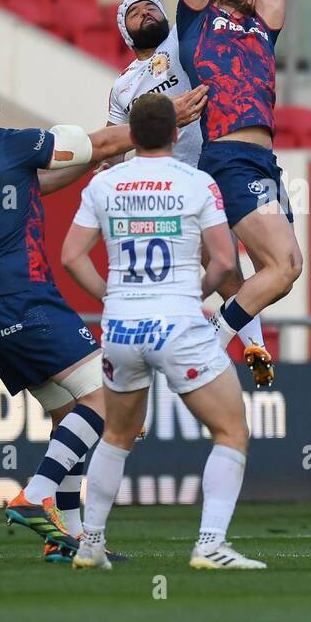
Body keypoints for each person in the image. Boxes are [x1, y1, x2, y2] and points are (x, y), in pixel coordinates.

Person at [0, 67, 206, 561]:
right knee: (105, 401)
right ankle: (35, 495)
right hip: (27, 296)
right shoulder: (7, 141)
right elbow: (92, 144)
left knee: (66, 421)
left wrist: (99, 160)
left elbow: (43, 181)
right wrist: (162, 121)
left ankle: (71, 541)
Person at [60, 93, 265, 570]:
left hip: (122, 327)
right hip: (177, 322)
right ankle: (210, 544)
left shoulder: (105, 184)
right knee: (231, 429)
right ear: (177, 133)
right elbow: (225, 262)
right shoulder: (198, 183)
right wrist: (193, 292)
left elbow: (71, 256)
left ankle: (90, 543)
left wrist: (109, 296)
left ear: (130, 135)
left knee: (115, 434)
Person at [107, 0, 272, 384]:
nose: (145, 13)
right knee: (215, 268)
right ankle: (144, 373)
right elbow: (113, 143)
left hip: (221, 160)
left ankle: (250, 344)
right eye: (135, 12)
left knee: (252, 261)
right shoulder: (122, 87)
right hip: (170, 187)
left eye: (151, 7)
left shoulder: (188, 38)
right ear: (127, 35)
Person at [175, 0, 301, 389]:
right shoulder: (197, 25)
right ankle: (214, 340)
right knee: (285, 265)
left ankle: (213, 332)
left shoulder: (262, 34)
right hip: (227, 154)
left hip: (263, 163)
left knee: (241, 272)